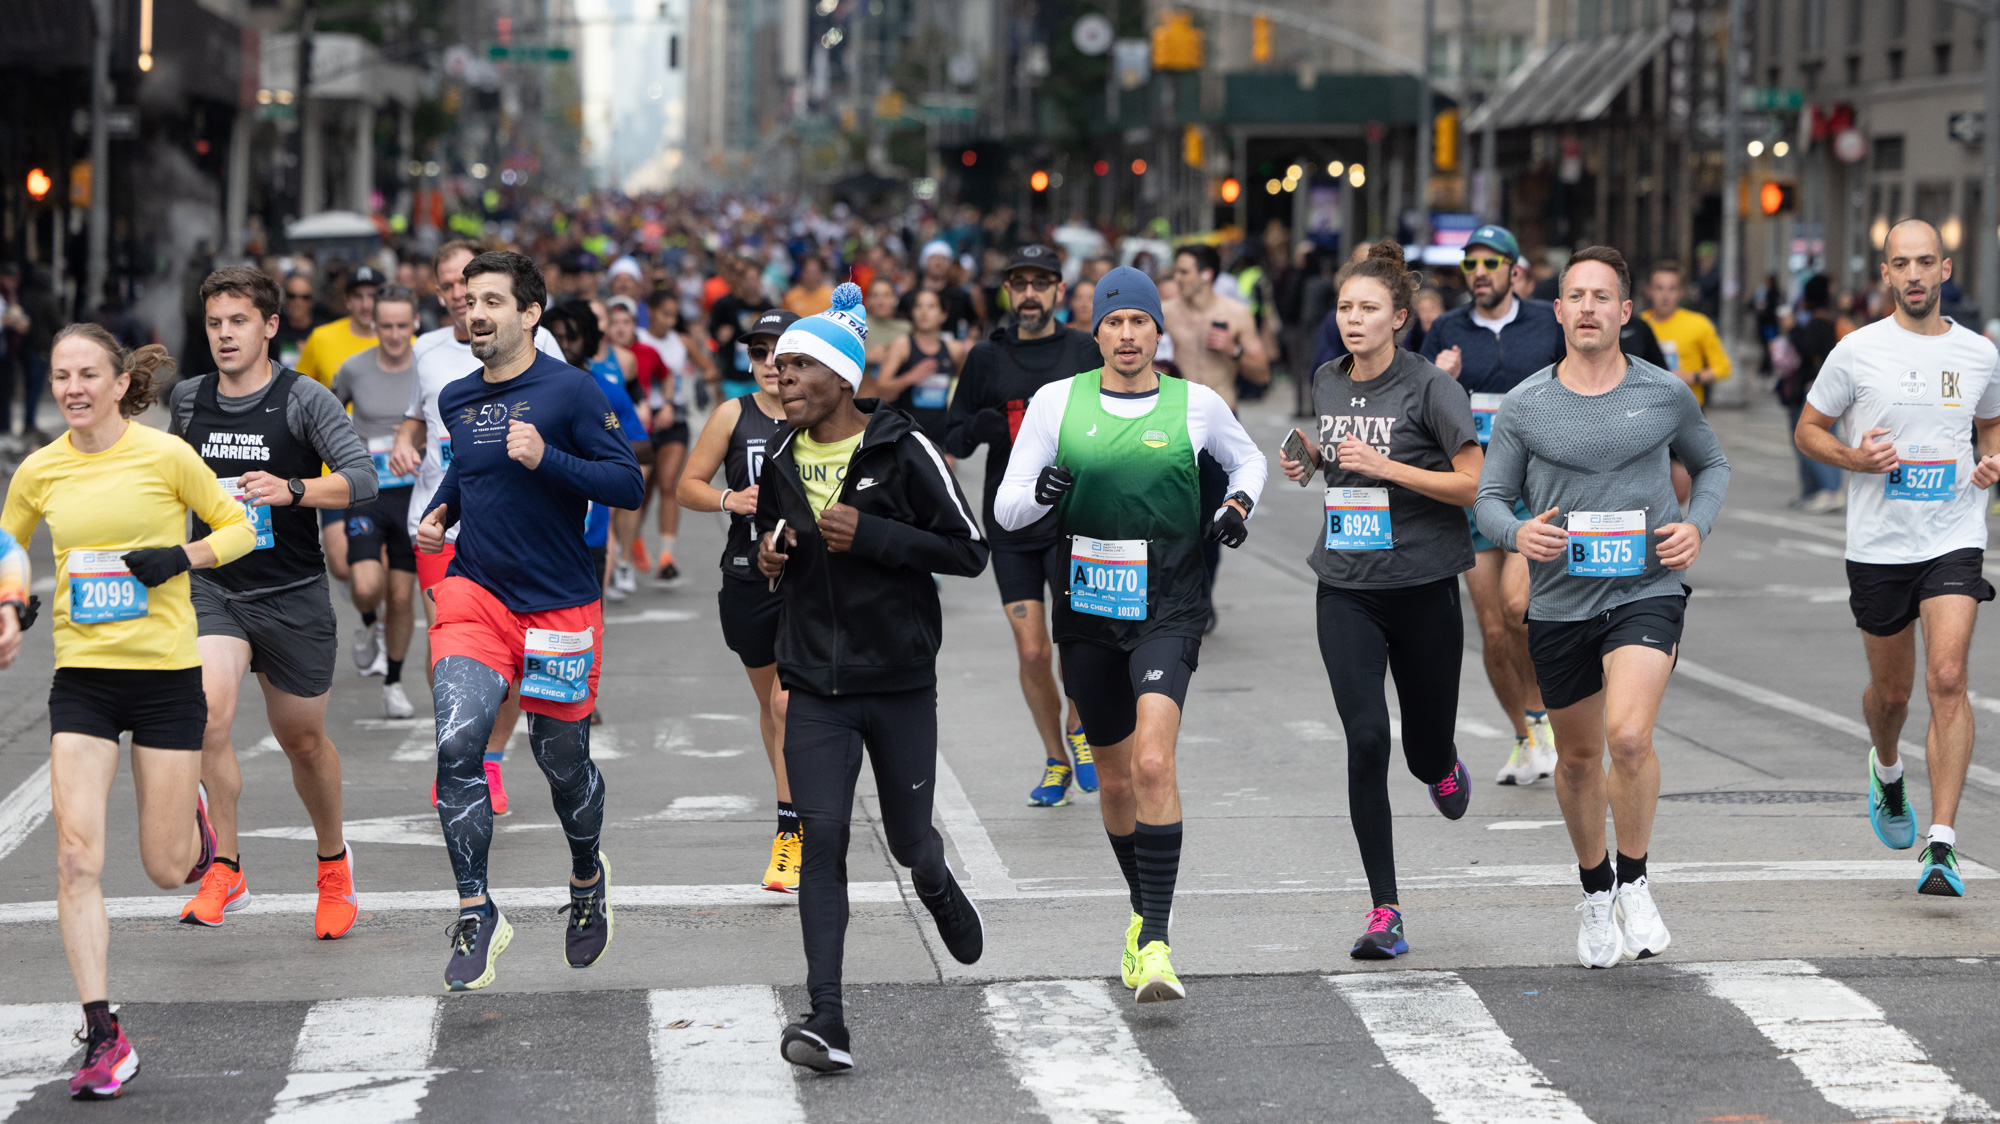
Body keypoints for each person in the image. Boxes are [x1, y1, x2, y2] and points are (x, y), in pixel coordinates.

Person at [995, 267, 1267, 1004]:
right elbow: (1008, 508)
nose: (1126, 335)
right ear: (1097, 331)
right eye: (1113, 323)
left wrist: (1239, 504)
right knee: (1114, 779)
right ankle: (1143, 907)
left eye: (1139, 323)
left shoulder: (1196, 404)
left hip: (1168, 608)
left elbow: (1249, 458)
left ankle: (1154, 936)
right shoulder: (1059, 403)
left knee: (1152, 762)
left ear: (1158, 332)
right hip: (1085, 611)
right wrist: (1043, 491)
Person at [4, 324, 254, 1098]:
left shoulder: (166, 455)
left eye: (87, 374)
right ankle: (103, 1032)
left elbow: (242, 528)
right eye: (59, 376)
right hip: (83, 679)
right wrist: (14, 605)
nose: (72, 388)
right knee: (76, 856)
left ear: (119, 384)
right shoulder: (38, 471)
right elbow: (7, 548)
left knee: (164, 865)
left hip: (165, 675)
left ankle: (199, 836)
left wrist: (182, 557)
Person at [752, 283, 989, 1072]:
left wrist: (878, 534)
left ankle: (936, 880)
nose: (779, 380)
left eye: (795, 367)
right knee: (821, 837)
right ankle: (826, 1017)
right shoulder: (781, 455)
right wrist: (771, 559)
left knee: (908, 838)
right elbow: (771, 546)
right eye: (777, 368)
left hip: (896, 679)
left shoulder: (903, 448)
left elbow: (968, 549)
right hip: (814, 681)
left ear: (842, 380)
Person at [1474, 245, 1730, 968]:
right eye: (1575, 296)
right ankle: (1594, 890)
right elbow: (1491, 497)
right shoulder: (1527, 405)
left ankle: (1636, 878)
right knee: (1582, 759)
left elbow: (1711, 464)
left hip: (1644, 589)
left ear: (1625, 311)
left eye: (1602, 296)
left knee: (1627, 737)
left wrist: (1694, 526)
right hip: (1560, 602)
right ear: (1557, 311)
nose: (1588, 308)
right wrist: (1518, 533)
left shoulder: (1664, 393)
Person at [414, 250, 645, 991]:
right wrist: (441, 511)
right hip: (475, 594)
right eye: (466, 301)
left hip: (558, 606)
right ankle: (477, 911)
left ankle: (585, 881)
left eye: (490, 301)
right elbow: (468, 470)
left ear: (529, 314)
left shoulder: (573, 392)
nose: (473, 312)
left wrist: (549, 458)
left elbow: (627, 483)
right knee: (457, 744)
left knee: (559, 760)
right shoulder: (456, 397)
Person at [1278, 239, 1483, 960]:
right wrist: (1309, 459)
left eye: (1368, 309)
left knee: (1423, 752)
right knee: (1366, 739)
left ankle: (1444, 765)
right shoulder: (1327, 380)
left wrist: (1387, 467)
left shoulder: (1432, 388)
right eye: (1343, 307)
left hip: (1423, 585)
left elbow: (1472, 485)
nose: (1352, 320)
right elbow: (1339, 460)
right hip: (1346, 586)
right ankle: (1384, 910)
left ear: (1400, 316)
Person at [1795, 219, 2000, 899]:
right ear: (1884, 274)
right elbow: (1808, 430)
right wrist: (1856, 458)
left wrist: (1993, 457)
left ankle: (1940, 844)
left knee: (1947, 677)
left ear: (1945, 269)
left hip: (1953, 534)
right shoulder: (1856, 351)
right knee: (1894, 695)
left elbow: (1990, 422)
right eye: (1899, 263)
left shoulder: (1979, 354)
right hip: (1879, 545)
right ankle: (1886, 768)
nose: (1913, 274)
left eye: (1924, 262)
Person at [170, 266, 377, 937]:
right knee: (206, 714)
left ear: (268, 325)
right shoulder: (187, 400)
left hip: (291, 592)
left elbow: (362, 480)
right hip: (215, 588)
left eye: (237, 322)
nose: (225, 335)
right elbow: (166, 483)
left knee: (303, 740)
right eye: (214, 323)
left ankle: (333, 866)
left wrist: (293, 490)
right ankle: (225, 867)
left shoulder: (304, 400)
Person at [391, 240, 566, 816]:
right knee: (449, 641)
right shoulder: (427, 350)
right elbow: (419, 417)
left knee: (512, 658)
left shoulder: (542, 348)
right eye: (453, 291)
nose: (461, 301)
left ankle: (489, 758)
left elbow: (564, 419)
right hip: (442, 521)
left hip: (514, 523)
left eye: (476, 292)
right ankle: (457, 754)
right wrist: (403, 440)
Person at [943, 244, 1104, 806]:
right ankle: (1055, 757)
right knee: (1033, 651)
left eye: (1041, 283)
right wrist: (988, 422)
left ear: (1060, 290)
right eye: (1020, 283)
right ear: (1008, 292)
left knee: (1076, 640)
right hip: (1010, 521)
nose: (1029, 294)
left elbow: (1110, 419)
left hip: (1073, 519)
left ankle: (1081, 729)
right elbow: (953, 437)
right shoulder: (987, 358)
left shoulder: (1084, 350)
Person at [1420, 225, 1568, 786]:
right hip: (1476, 492)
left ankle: (1547, 720)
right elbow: (1421, 410)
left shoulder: (1545, 326)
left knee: (1517, 609)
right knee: (1492, 627)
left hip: (1537, 491)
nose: (1478, 272)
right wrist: (1443, 380)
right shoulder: (1446, 332)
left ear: (1515, 270)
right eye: (1469, 264)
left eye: (1489, 262)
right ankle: (1525, 734)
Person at [678, 308, 802, 892]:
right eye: (759, 353)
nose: (770, 364)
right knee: (769, 706)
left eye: (781, 351)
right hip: (746, 577)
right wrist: (731, 500)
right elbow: (687, 486)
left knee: (785, 706)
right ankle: (795, 793)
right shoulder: (734, 413)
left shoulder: (821, 411)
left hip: (807, 580)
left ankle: (791, 830)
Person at [1163, 243, 1270, 633]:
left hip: (1220, 424)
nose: (1177, 280)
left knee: (1215, 516)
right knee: (1174, 516)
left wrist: (1234, 348)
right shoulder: (1166, 313)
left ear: (1206, 275)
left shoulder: (1235, 313)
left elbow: (1262, 373)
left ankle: (1204, 595)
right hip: (1174, 425)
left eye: (1184, 272)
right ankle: (1179, 595)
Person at [333, 285, 422, 717]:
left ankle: (393, 683)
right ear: (374, 324)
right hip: (367, 491)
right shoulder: (353, 369)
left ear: (415, 324)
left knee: (403, 598)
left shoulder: (430, 366)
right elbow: (329, 418)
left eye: (402, 325)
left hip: (415, 493)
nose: (393, 334)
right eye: (385, 325)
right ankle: (369, 623)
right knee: (367, 585)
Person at [639, 289, 714, 582]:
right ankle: (633, 544)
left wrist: (698, 380)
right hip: (644, 422)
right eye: (664, 314)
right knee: (641, 490)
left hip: (675, 419)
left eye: (674, 315)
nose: (669, 321)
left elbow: (709, 369)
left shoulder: (681, 341)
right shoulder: (637, 340)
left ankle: (667, 556)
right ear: (651, 312)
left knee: (669, 485)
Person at [862, 288, 969, 443]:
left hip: (941, 436)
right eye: (919, 306)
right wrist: (910, 377)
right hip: (906, 435)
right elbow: (882, 387)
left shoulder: (955, 349)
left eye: (931, 306)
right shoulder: (902, 345)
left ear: (943, 314)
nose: (924, 312)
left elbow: (964, 386)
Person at [1783, 275, 1845, 513]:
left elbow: (1808, 351)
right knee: (1817, 438)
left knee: (1811, 440)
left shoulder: (1820, 323)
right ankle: (1814, 492)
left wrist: (1792, 329)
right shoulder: (1830, 320)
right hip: (1823, 388)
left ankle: (1830, 491)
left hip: (1816, 389)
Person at [1640, 260, 1731, 406]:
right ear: (1648, 291)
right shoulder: (1637, 325)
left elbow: (1723, 368)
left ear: (1680, 292)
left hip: (1689, 409)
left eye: (1671, 288)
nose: (1665, 295)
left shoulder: (1699, 324)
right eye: (1659, 288)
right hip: (1648, 409)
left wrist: (1691, 377)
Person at [295, 265, 383, 388]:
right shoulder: (321, 338)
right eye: (358, 296)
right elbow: (298, 391)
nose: (365, 305)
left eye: (372, 296)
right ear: (347, 300)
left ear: (384, 299)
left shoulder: (402, 341)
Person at [710, 255, 775, 400]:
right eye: (746, 278)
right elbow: (713, 333)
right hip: (732, 377)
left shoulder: (769, 309)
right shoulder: (725, 305)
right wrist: (719, 337)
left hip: (760, 377)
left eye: (754, 279)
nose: (750, 283)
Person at [898, 241, 980, 340]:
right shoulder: (909, 296)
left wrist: (969, 341)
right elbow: (898, 324)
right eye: (933, 258)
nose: (938, 263)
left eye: (943, 259)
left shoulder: (960, 296)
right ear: (924, 261)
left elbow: (974, 323)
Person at [273, 272, 324, 371]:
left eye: (305, 297)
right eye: (292, 296)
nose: (298, 302)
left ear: (312, 301)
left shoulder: (323, 331)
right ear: (286, 300)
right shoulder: (273, 332)